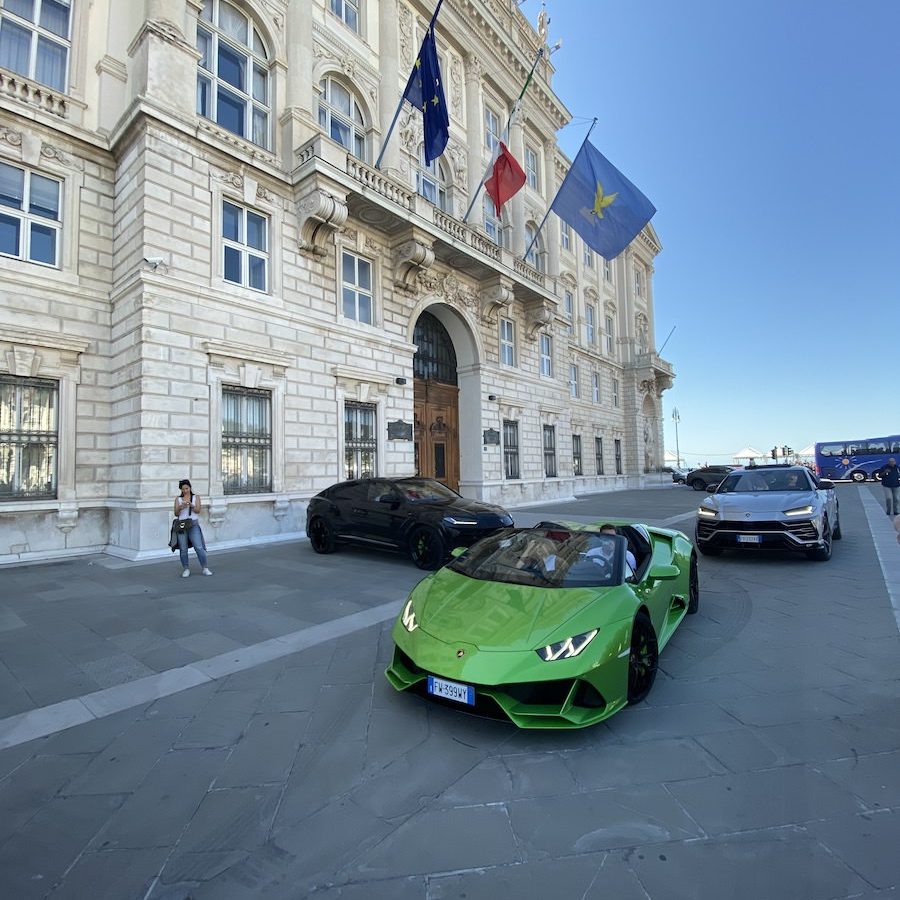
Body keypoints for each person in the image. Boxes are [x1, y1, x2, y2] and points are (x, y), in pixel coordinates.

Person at [174, 479, 212, 577]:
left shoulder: (196, 497)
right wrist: (180, 507)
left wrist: (191, 505)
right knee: (183, 549)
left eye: (186, 488)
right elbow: (176, 513)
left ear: (190, 488)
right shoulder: (178, 499)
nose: (185, 491)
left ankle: (205, 567)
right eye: (183, 489)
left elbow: (198, 510)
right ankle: (186, 569)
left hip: (193, 524)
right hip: (182, 525)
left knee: (199, 547)